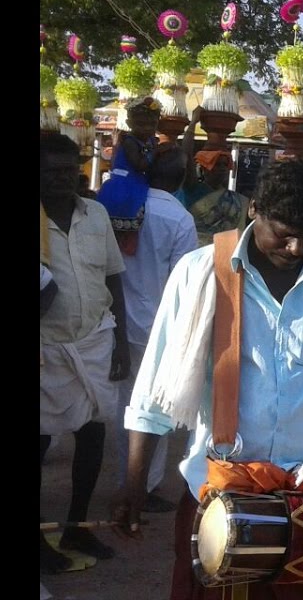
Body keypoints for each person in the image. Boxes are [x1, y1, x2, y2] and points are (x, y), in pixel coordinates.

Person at [111, 160, 303, 600]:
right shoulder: (199, 271)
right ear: (255, 210)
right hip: (218, 485)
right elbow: (153, 384)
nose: (294, 247)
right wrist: (134, 483)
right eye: (284, 231)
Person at [40, 132, 131, 567]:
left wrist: (120, 344)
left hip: (95, 341)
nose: (61, 178)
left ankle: (76, 529)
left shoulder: (95, 214)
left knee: (93, 437)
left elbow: (114, 277)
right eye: (50, 171)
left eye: (67, 169)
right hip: (45, 351)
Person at [113, 145, 198, 515]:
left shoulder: (124, 204)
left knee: (125, 404)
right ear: (181, 178)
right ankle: (143, 486)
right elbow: (186, 281)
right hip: (158, 323)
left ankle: (128, 480)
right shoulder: (179, 218)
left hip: (118, 319)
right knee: (155, 405)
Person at [97, 97, 160, 255]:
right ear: (130, 123)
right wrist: (156, 152)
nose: (146, 128)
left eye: (151, 124)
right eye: (141, 124)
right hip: (124, 183)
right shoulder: (129, 141)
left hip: (137, 181)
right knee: (129, 207)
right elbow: (139, 164)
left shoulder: (151, 140)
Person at [180, 106, 249, 246]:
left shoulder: (236, 199)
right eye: (217, 165)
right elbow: (186, 154)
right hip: (197, 251)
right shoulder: (194, 188)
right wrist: (193, 123)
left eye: (225, 165)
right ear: (204, 168)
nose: (222, 169)